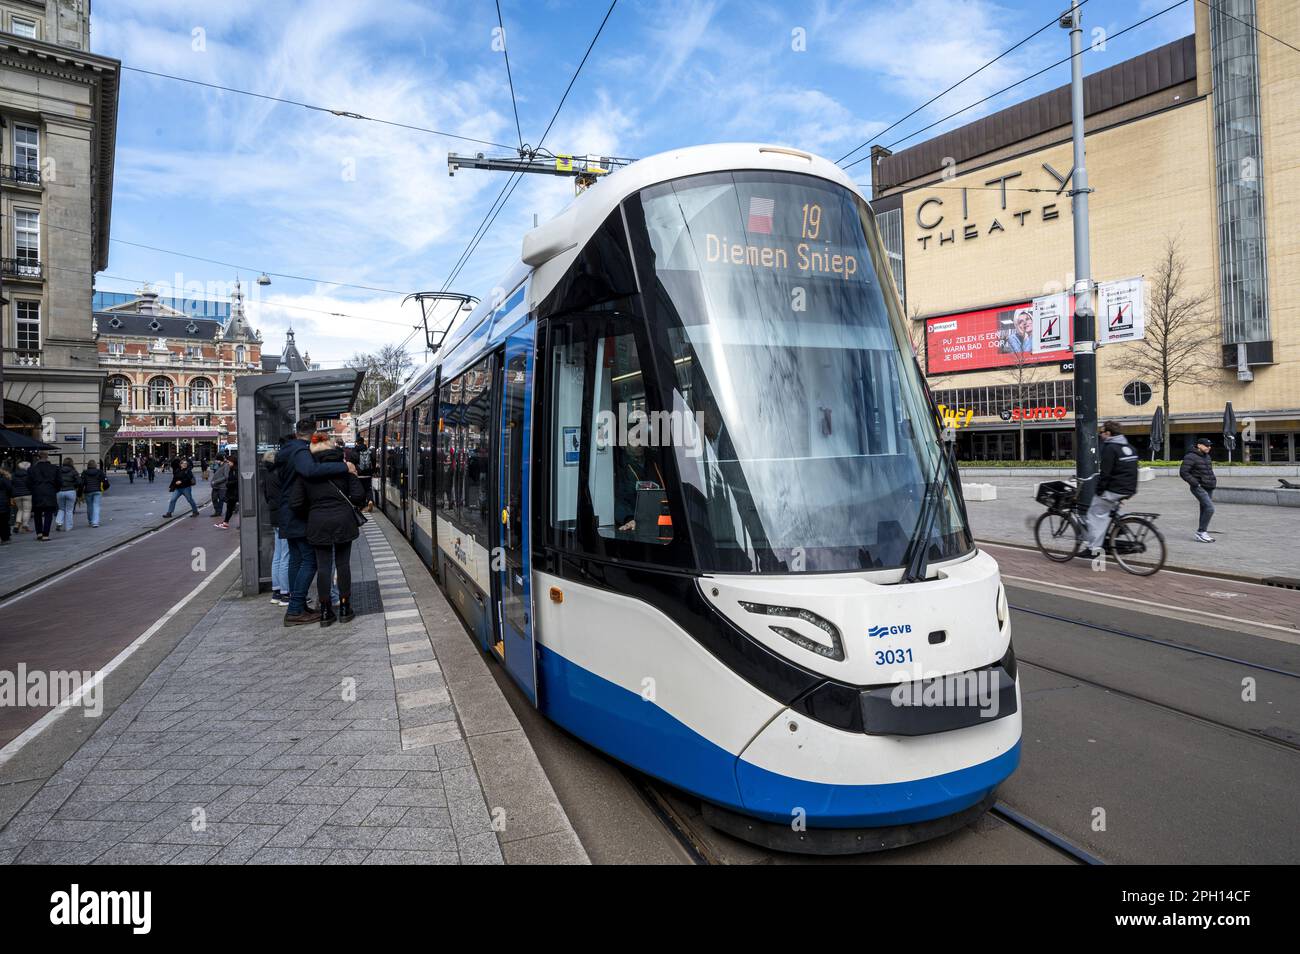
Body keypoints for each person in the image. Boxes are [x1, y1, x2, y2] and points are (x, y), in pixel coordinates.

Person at [276, 419, 356, 626]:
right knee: (326, 563)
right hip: (332, 521)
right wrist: (344, 468)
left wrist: (312, 512)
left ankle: (317, 609)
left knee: (308, 562)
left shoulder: (288, 452)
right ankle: (337, 607)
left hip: (304, 519)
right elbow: (357, 496)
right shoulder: (306, 457)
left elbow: (295, 498)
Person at [289, 434, 367, 626]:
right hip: (343, 521)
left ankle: (325, 611)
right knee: (343, 565)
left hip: (318, 523)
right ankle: (345, 607)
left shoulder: (307, 473)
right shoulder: (345, 468)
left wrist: (313, 512)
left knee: (323, 566)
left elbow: (296, 502)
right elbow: (358, 497)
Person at [1085, 421, 1139, 554]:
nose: (1101, 435)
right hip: (1129, 488)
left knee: (1094, 514)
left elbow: (1106, 473)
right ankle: (1119, 525)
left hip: (1114, 489)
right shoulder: (1129, 447)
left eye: (1102, 432)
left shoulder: (1110, 447)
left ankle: (1093, 549)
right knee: (1108, 509)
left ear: (1108, 433)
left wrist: (1099, 490)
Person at [262, 448, 291, 605]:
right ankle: (286, 593)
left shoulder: (267, 474)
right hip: (282, 516)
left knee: (278, 555)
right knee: (286, 555)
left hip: (274, 515)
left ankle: (277, 591)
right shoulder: (279, 474)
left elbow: (266, 496)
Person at [1180, 437, 1218, 543]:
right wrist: (1196, 484)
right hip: (1198, 487)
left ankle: (1201, 533)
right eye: (1207, 446)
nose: (1209, 448)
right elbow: (1183, 472)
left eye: (1210, 446)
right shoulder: (1190, 456)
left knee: (1205, 509)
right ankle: (1201, 532)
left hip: (1209, 486)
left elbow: (1208, 471)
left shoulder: (1207, 456)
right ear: (1199, 445)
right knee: (1210, 508)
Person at [28, 451, 60, 541]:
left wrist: (33, 490)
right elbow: (59, 482)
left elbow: (28, 483)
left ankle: (39, 533)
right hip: (50, 492)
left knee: (37, 514)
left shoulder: (31, 469)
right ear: (47, 457)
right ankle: (46, 535)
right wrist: (54, 489)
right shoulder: (55, 468)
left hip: (36, 493)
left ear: (38, 457)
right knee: (48, 514)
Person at [53, 457, 82, 532]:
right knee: (69, 510)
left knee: (61, 508)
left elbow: (55, 481)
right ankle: (68, 527)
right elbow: (79, 482)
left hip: (60, 492)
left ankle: (59, 522)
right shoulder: (73, 471)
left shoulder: (58, 471)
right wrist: (74, 485)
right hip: (71, 491)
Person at [81, 459, 109, 528]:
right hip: (97, 491)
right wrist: (104, 489)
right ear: (95, 465)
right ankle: (95, 522)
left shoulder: (84, 473)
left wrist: (80, 493)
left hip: (88, 491)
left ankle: (90, 521)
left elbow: (81, 483)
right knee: (96, 506)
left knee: (89, 506)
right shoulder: (99, 472)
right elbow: (106, 482)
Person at [216, 453, 239, 529]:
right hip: (232, 492)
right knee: (229, 507)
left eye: (229, 462)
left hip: (235, 492)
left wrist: (228, 484)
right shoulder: (232, 469)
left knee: (231, 507)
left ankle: (226, 522)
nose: (228, 463)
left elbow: (236, 480)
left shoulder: (235, 470)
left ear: (233, 462)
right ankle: (225, 522)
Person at [11, 460, 32, 533]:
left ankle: (17, 523)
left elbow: (12, 484)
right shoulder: (28, 475)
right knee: (26, 510)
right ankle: (25, 525)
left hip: (17, 495)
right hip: (27, 494)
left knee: (20, 509)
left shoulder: (14, 475)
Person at [0, 466, 13, 545]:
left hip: (3, 502)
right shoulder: (4, 480)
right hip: (3, 503)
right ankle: (5, 536)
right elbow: (10, 489)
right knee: (4, 520)